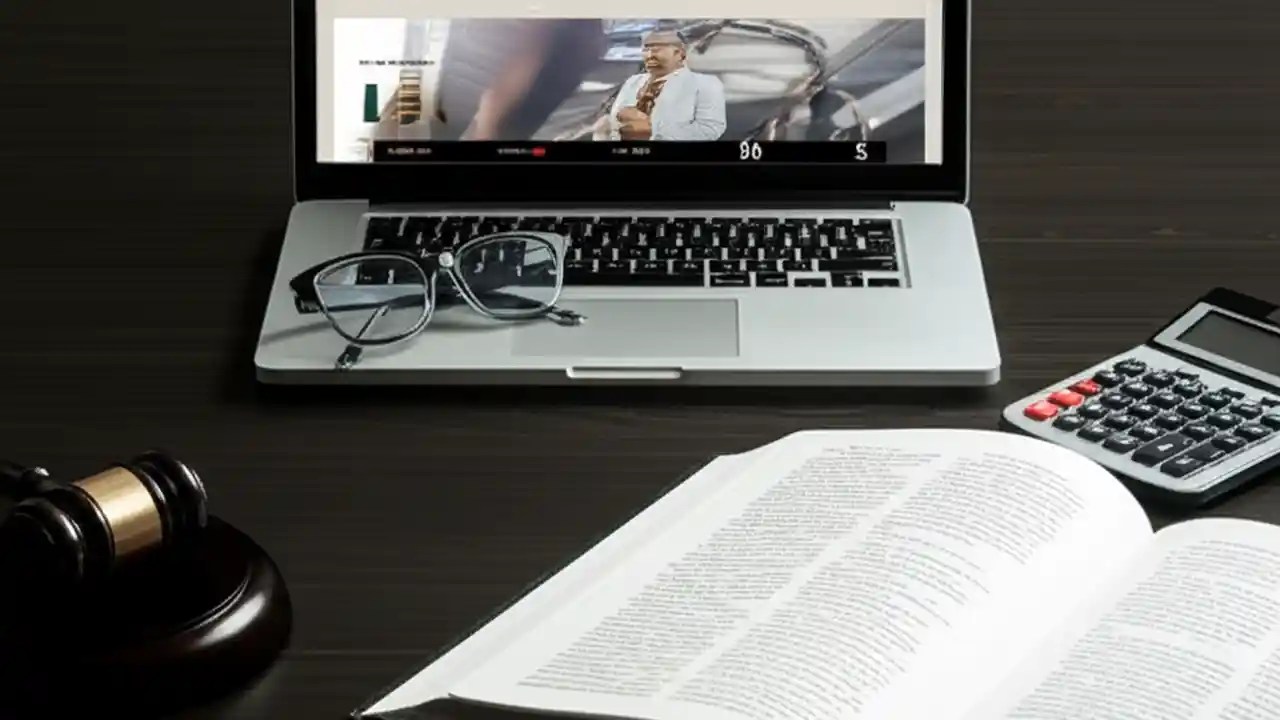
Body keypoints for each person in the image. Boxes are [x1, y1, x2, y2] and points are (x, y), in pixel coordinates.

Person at [598, 29, 727, 141]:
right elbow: (613, 122)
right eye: (646, 49)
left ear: (680, 54)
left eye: (657, 50)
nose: (649, 56)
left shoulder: (705, 83)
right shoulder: (634, 81)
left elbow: (710, 130)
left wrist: (652, 130)